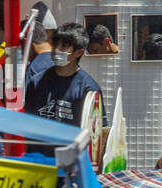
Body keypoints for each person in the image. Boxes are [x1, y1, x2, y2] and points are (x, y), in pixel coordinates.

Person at [22, 23, 105, 153]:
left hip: (72, 164)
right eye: (55, 44)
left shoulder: (89, 89)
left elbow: (98, 133)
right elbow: (26, 122)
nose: (56, 50)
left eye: (64, 46)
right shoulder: (36, 82)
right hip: (38, 160)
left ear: (79, 52)